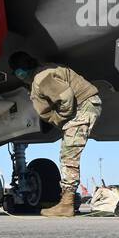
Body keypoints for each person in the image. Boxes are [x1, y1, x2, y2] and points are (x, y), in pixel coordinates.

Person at [8, 52, 101, 218]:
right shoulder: (43, 73)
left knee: (69, 155)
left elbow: (66, 98)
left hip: (82, 107)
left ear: (21, 72)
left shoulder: (41, 78)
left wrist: (60, 118)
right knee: (68, 153)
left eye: (17, 72)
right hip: (85, 105)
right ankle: (67, 201)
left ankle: (67, 204)